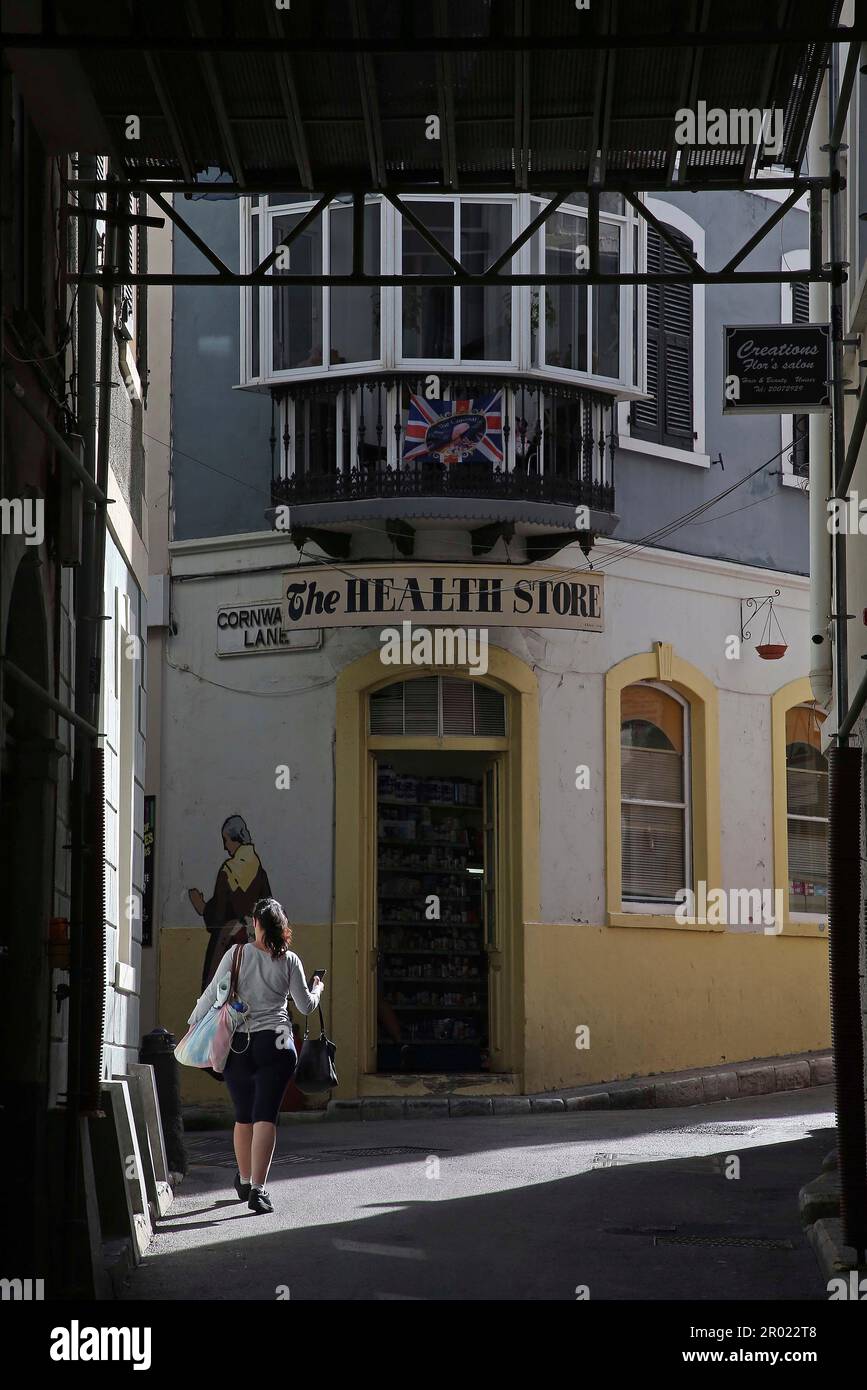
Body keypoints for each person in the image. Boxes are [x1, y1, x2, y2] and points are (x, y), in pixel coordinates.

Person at [186, 896, 324, 1214]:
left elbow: (211, 992)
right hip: (276, 1046)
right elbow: (305, 1007)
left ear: (258, 925)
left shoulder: (237, 954)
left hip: (239, 1046)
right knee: (266, 1117)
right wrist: (317, 988)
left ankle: (246, 1179)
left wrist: (193, 1023)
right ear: (283, 928)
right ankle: (259, 1191)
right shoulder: (290, 961)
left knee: (243, 1116)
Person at [188, 815, 272, 992]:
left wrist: (202, 907)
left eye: (226, 840)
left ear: (235, 839)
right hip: (255, 944)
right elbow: (269, 910)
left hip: (228, 944)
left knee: (216, 994)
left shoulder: (227, 871)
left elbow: (217, 916)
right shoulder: (260, 872)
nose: (225, 846)